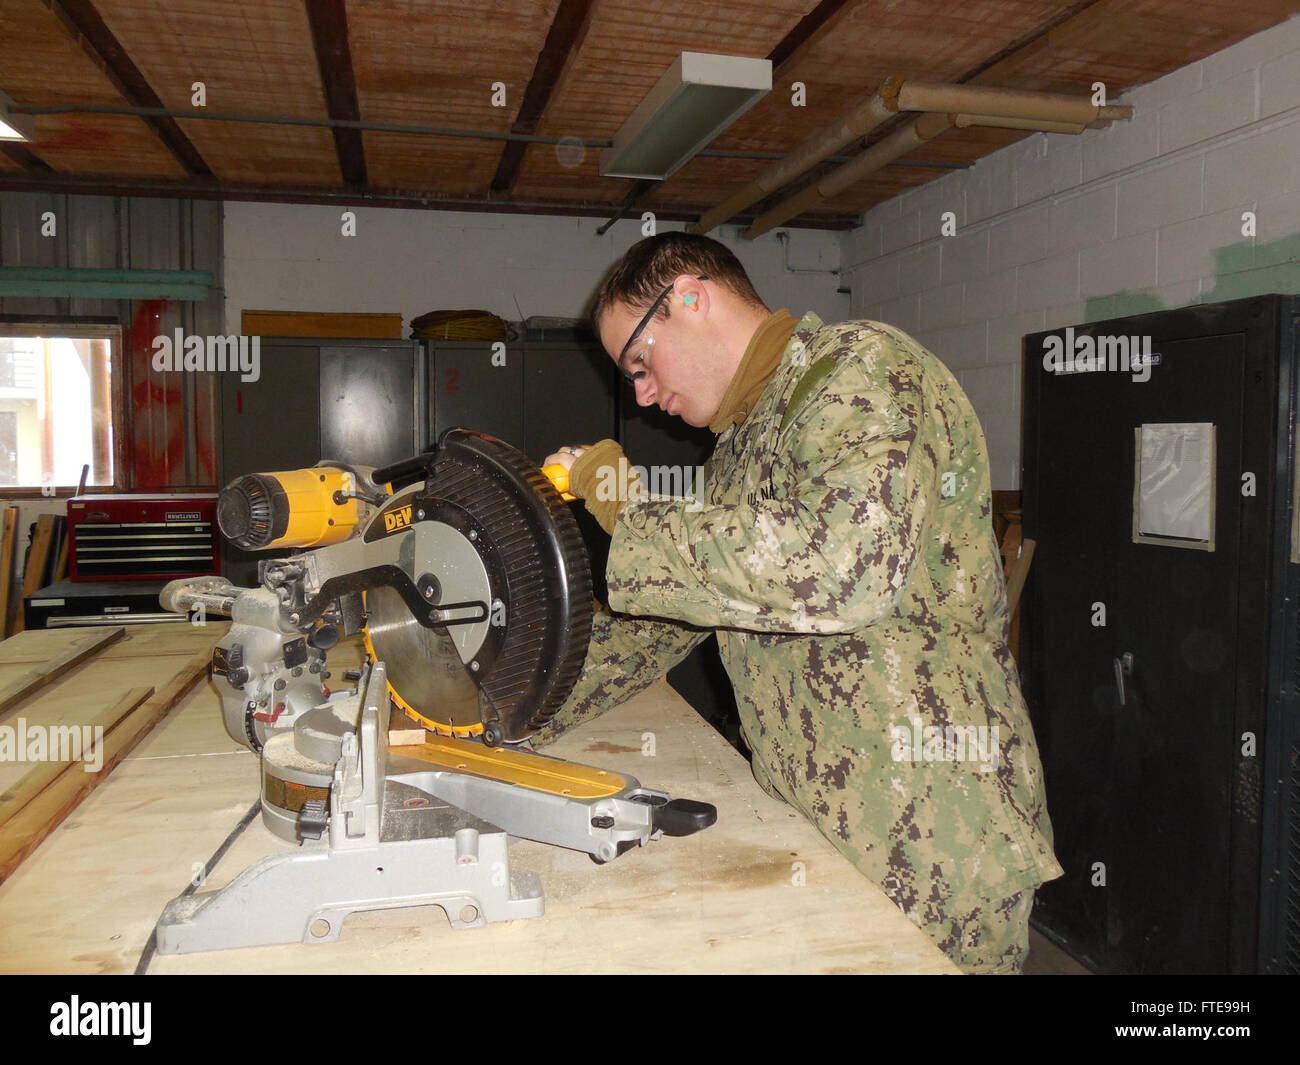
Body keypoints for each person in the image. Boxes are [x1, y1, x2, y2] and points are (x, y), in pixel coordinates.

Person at [539, 231, 1062, 973]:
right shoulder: (741, 448)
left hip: (932, 837)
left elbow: (842, 565)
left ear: (691, 295)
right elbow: (658, 625)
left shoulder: (863, 369)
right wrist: (510, 703)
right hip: (826, 820)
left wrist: (624, 506)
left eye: (639, 362)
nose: (643, 394)